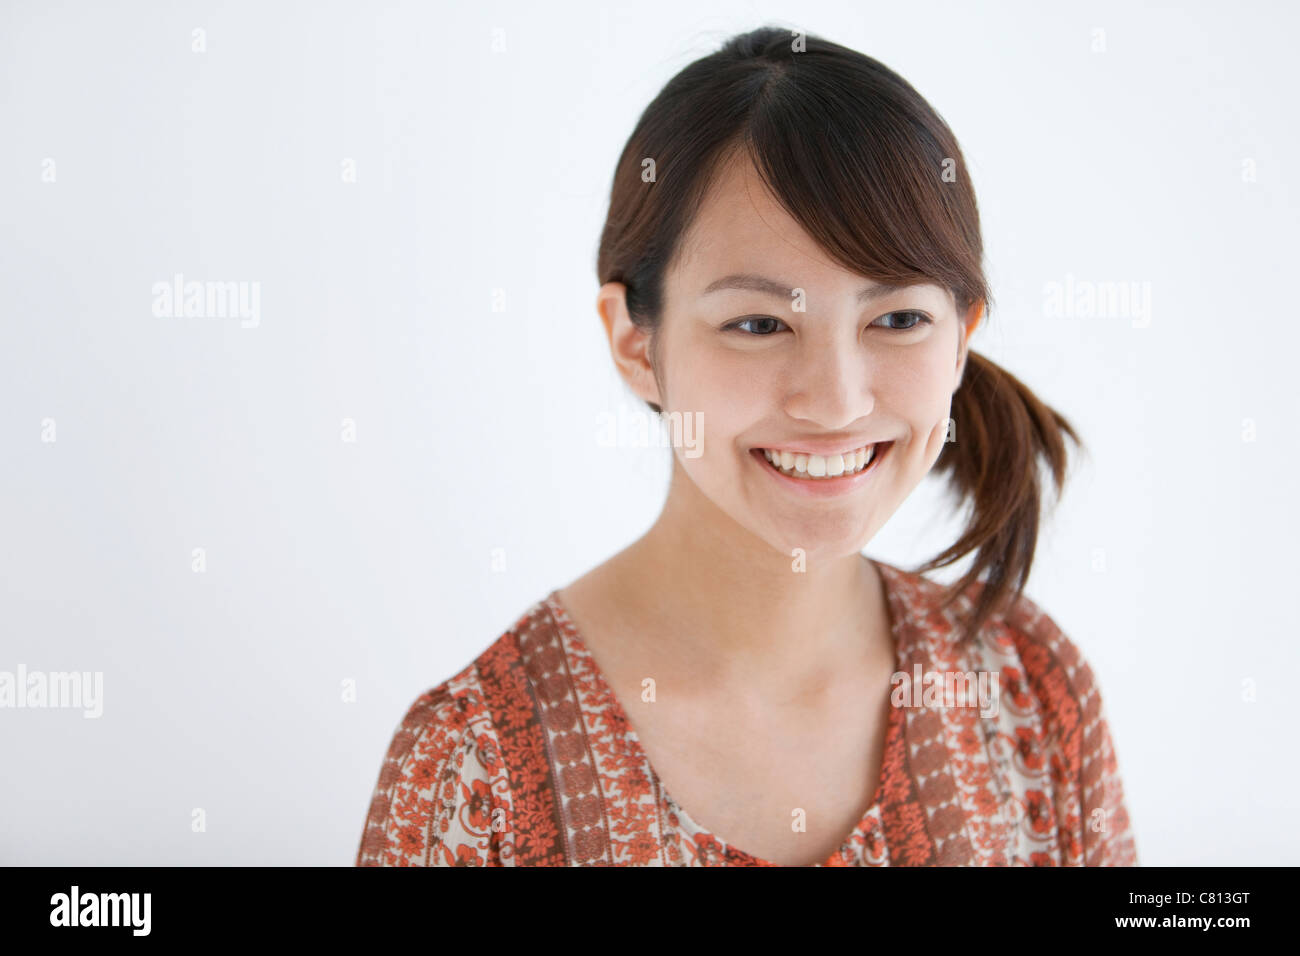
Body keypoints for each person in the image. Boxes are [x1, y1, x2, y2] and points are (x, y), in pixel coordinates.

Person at [355, 25, 1137, 867]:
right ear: (634, 343)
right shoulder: (475, 767)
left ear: (960, 341)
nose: (835, 402)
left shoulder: (1032, 693)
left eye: (899, 318)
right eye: (759, 324)